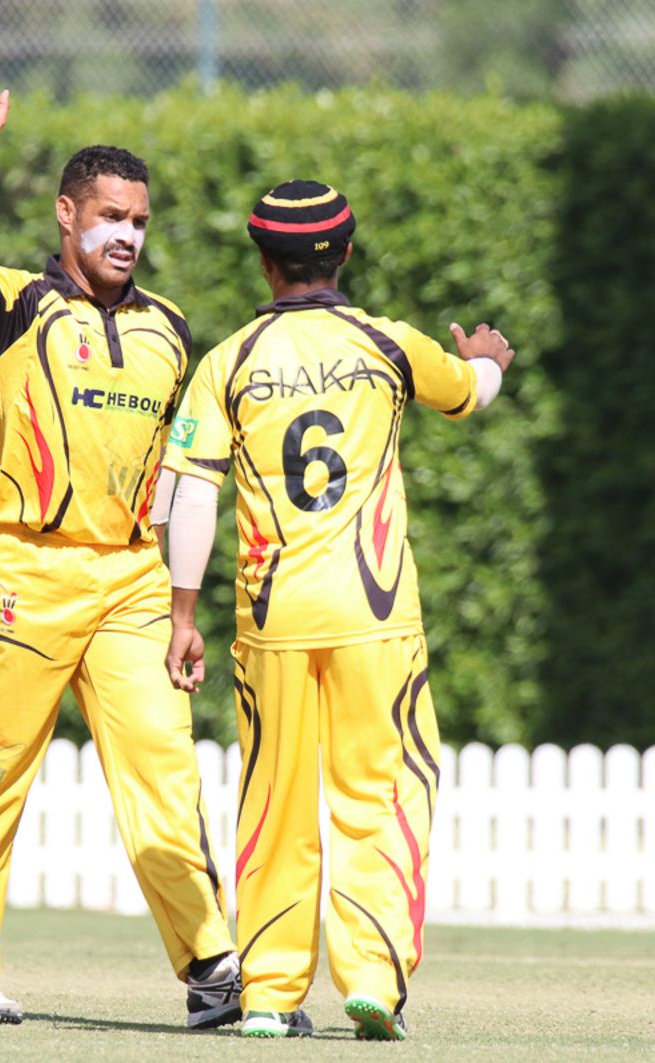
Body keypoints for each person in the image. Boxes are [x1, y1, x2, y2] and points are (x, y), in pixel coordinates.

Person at [0, 67, 241, 1028]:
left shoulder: (171, 330)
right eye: (107, 214)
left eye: (138, 218)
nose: (126, 234)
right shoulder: (17, 304)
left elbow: (183, 482)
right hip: (26, 567)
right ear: (67, 215)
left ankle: (212, 967)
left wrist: (185, 606)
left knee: (163, 771)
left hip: (132, 581)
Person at [162, 180, 516, 1041]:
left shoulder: (229, 360)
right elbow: (469, 391)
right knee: (381, 794)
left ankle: (273, 995)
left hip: (272, 621)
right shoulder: (387, 342)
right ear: (346, 252)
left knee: (274, 800)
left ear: (260, 258)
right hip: (376, 613)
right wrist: (493, 358)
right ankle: (374, 979)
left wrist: (181, 613)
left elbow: (191, 497)